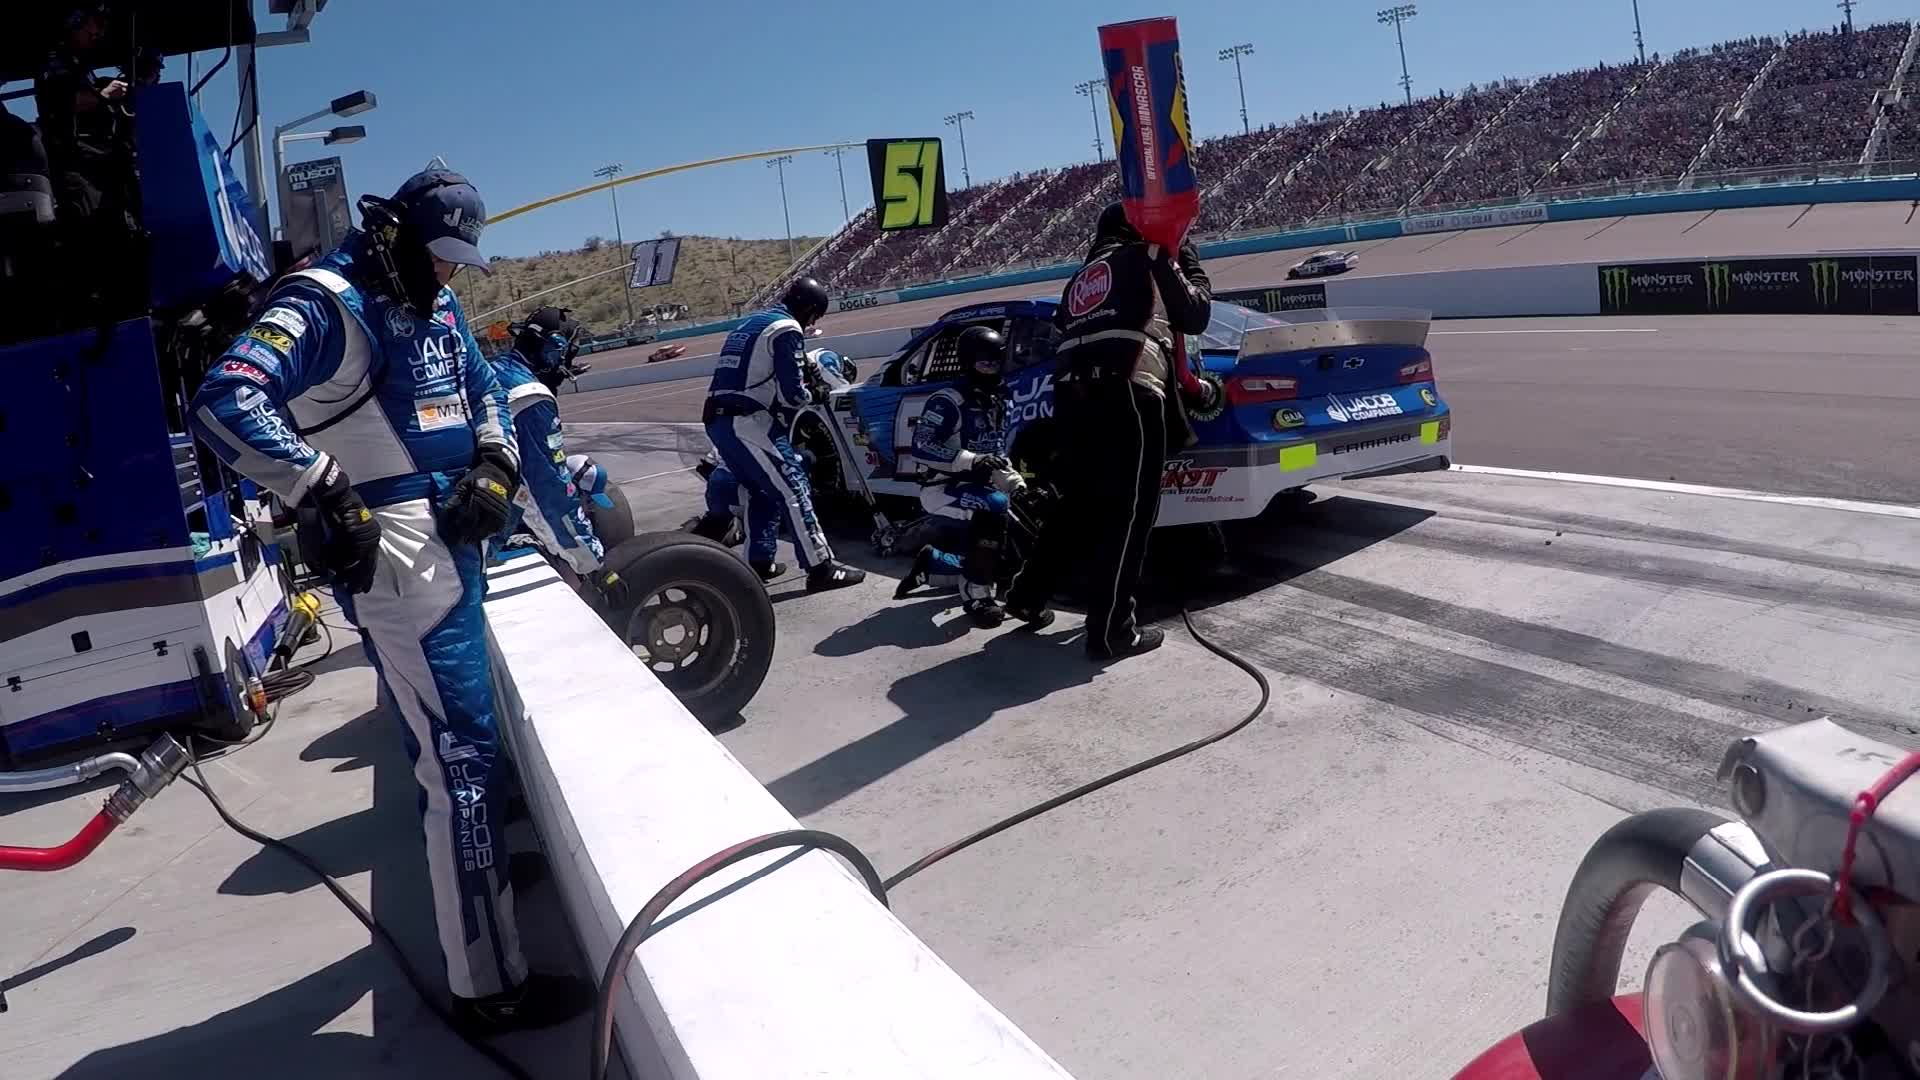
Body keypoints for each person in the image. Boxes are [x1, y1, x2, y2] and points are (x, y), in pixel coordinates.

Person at [188, 169, 592, 1033]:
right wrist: (320, 484)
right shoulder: (329, 299)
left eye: (458, 262)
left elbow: (487, 388)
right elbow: (224, 399)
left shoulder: (434, 302)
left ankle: (467, 877)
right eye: (438, 256)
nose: (447, 275)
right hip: (403, 558)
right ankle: (491, 986)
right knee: (466, 765)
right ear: (394, 233)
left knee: (455, 759)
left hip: (456, 542)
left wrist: (494, 463)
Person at [1003, 202, 1213, 660]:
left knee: (1074, 507)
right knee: (1128, 515)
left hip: (1071, 399)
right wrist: (1189, 263)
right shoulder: (1149, 256)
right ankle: (1112, 631)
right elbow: (1195, 315)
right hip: (1127, 393)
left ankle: (1025, 595)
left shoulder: (1080, 276)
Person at [701, 278, 863, 590]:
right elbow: (792, 394)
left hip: (718, 419)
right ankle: (821, 567)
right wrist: (813, 393)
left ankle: (759, 563)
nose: (813, 322)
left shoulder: (753, 322)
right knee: (793, 486)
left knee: (762, 491)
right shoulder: (787, 328)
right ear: (809, 308)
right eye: (814, 316)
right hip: (746, 419)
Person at [892, 326, 1040, 629]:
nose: (992, 369)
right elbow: (921, 446)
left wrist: (1017, 483)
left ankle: (935, 562)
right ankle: (976, 595)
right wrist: (971, 461)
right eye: (984, 363)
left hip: (982, 485)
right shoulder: (948, 400)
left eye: (996, 362)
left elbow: (997, 450)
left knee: (1017, 527)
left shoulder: (1001, 398)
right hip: (942, 486)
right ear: (967, 362)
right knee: (993, 508)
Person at [486, 306, 626, 604]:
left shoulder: (494, 369)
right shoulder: (528, 395)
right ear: (555, 350)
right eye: (568, 353)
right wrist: (593, 565)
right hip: (470, 544)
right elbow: (550, 491)